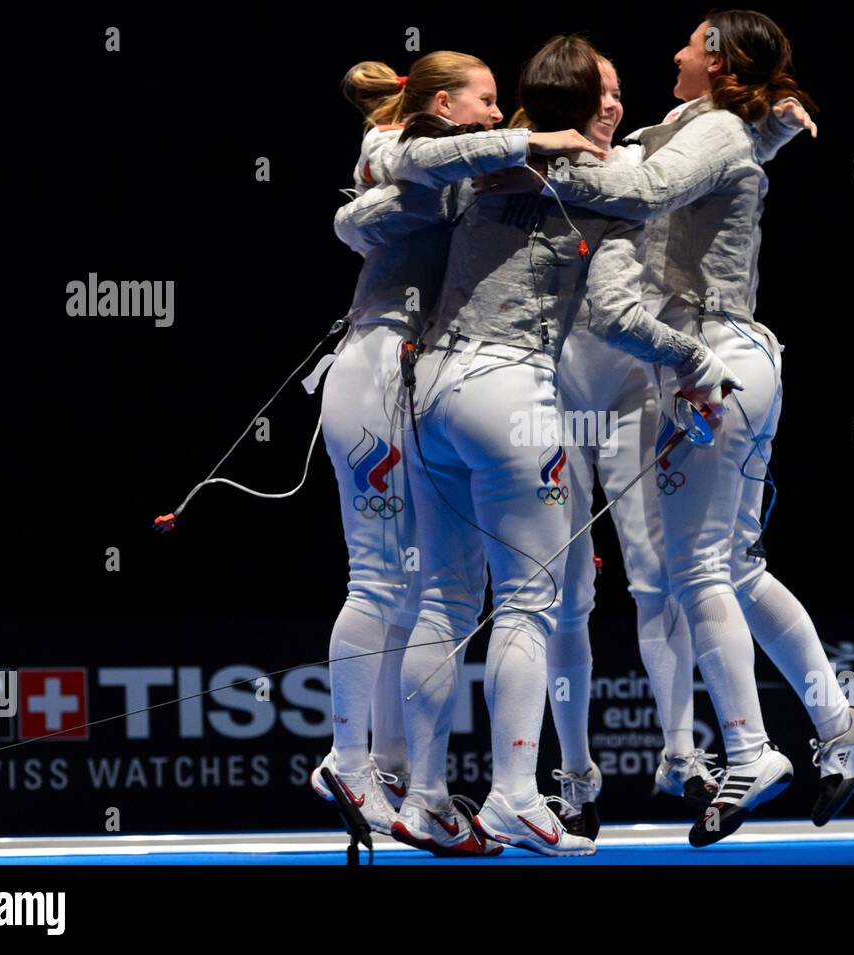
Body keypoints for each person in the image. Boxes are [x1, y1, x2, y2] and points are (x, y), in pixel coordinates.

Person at [336, 34, 740, 856]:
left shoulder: (469, 170)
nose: (621, 105)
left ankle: (422, 796)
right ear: (586, 106)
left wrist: (373, 192)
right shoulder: (606, 188)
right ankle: (516, 795)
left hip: (429, 396)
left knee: (444, 603)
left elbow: (381, 189)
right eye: (612, 93)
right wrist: (701, 363)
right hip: (511, 395)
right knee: (529, 602)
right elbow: (626, 313)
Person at [535, 11, 854, 843]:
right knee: (737, 564)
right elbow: (682, 162)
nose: (676, 53)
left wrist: (530, 157)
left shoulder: (720, 125)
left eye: (691, 43)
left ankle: (752, 749)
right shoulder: (709, 127)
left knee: (696, 566)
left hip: (710, 358)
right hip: (728, 359)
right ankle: (841, 725)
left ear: (720, 57)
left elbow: (649, 187)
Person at [311, 52, 503, 848]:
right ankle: (344, 757)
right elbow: (390, 158)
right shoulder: (402, 153)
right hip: (376, 368)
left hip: (414, 377)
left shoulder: (444, 166)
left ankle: (390, 765)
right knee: (379, 576)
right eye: (486, 100)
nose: (498, 115)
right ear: (442, 105)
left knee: (421, 584)